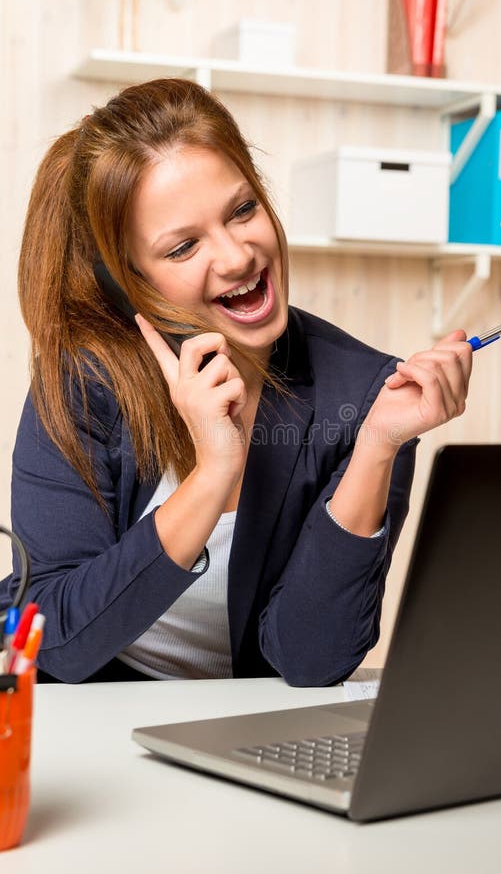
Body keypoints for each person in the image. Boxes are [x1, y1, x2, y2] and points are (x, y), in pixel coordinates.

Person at [0, 78, 472, 685]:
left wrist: (378, 447)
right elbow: (55, 640)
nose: (237, 257)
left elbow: (309, 660)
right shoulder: (84, 381)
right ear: (127, 280)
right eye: (183, 247)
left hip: (235, 722)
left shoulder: (366, 396)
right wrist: (212, 476)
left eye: (243, 210)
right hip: (91, 711)